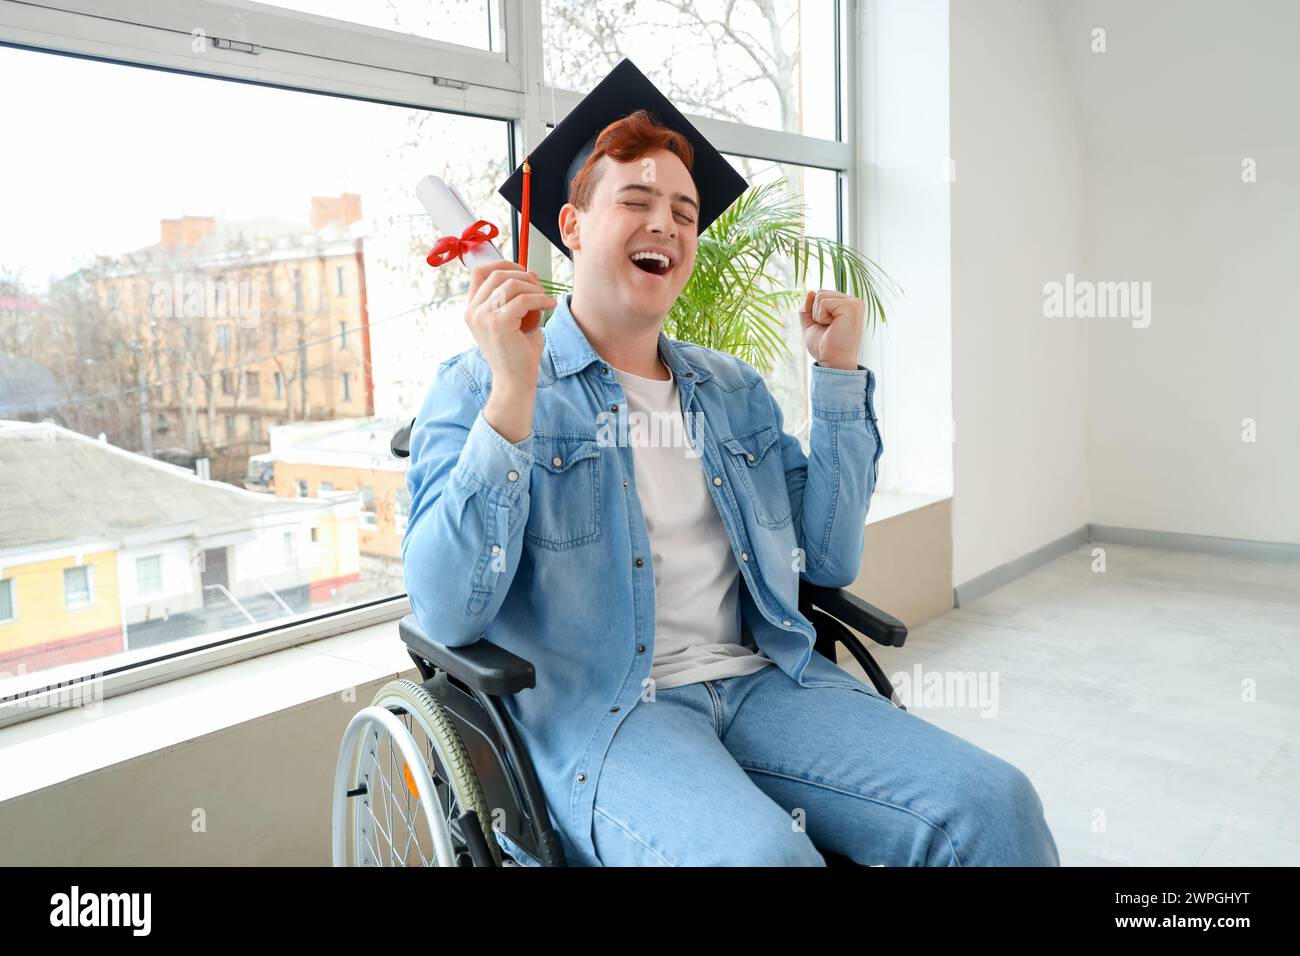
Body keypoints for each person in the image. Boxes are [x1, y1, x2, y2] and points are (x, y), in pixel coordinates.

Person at [402, 58, 1060, 867]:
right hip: (607, 716)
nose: (666, 224)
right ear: (570, 228)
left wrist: (838, 376)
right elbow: (444, 613)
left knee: (992, 804)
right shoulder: (476, 384)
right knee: (763, 860)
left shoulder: (731, 388)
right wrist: (512, 394)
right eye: (636, 202)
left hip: (766, 682)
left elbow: (828, 558)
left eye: (684, 210)